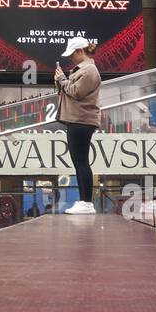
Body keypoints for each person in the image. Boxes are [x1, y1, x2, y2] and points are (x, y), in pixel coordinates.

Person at [53, 36, 102, 213]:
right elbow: (69, 91)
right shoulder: (84, 69)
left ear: (80, 51)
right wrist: (61, 80)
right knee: (79, 161)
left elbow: (75, 91)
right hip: (78, 119)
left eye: (72, 54)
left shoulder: (89, 70)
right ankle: (85, 202)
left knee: (81, 161)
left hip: (81, 120)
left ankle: (86, 202)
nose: (70, 58)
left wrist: (62, 80)